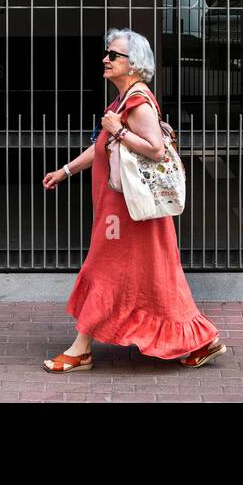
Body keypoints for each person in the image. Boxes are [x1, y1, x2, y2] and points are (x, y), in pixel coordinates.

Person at [40, 27, 225, 372]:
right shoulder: (122, 101)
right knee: (157, 276)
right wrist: (65, 171)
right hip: (124, 210)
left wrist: (119, 130)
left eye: (114, 55)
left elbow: (154, 149)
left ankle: (81, 350)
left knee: (103, 269)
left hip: (129, 214)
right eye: (107, 53)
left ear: (135, 64)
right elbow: (101, 150)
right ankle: (202, 341)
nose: (105, 59)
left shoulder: (138, 102)